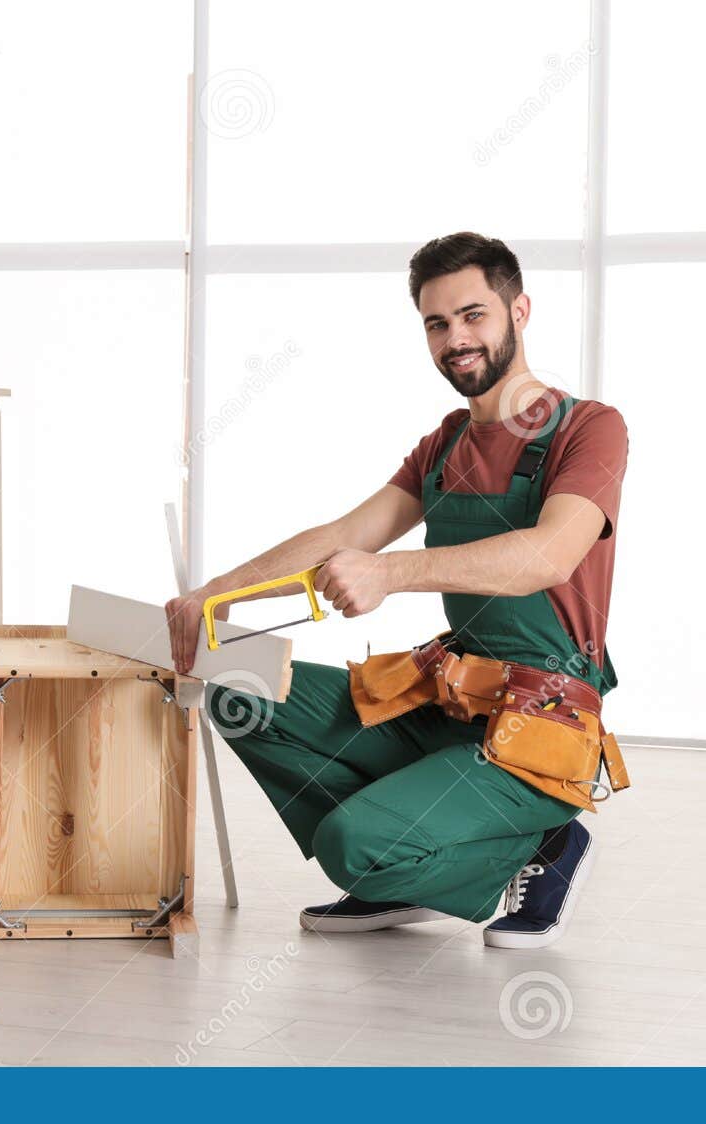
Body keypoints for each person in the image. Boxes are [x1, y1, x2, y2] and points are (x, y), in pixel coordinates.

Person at [166, 232, 629, 948]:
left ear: (520, 310)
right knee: (237, 684)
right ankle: (408, 857)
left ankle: (545, 844)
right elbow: (347, 531)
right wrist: (214, 595)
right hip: (448, 701)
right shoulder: (446, 443)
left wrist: (390, 573)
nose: (456, 339)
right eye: (436, 324)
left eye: (473, 315)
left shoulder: (589, 429)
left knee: (350, 845)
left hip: (538, 725)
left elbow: (548, 555)